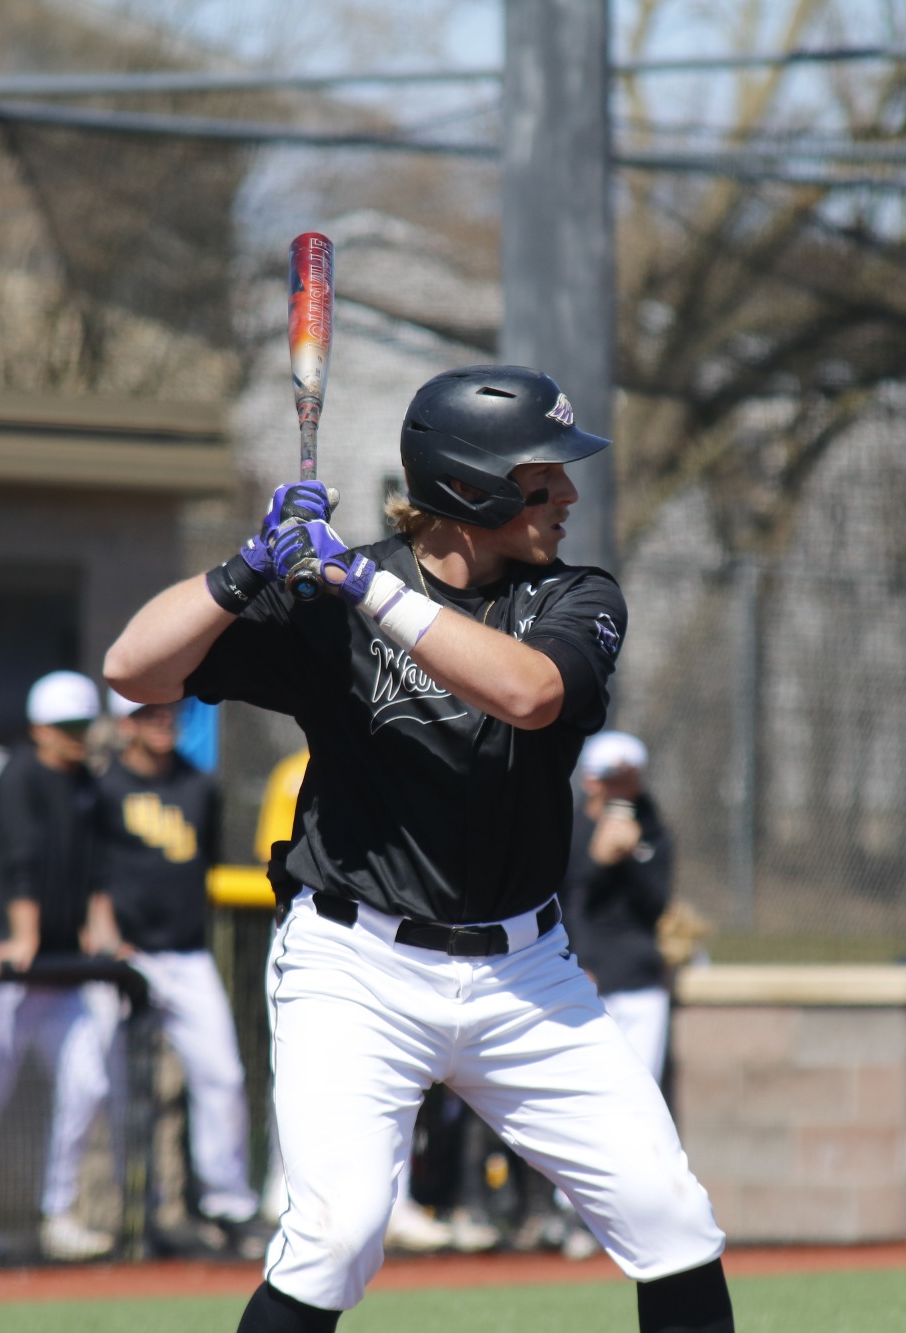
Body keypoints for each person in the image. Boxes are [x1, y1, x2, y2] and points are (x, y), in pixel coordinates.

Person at [106, 364, 732, 1333]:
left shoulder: (575, 596)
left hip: (527, 974)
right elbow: (130, 669)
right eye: (540, 477)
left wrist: (362, 586)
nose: (565, 494)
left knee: (669, 1214)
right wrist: (243, 570)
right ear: (468, 487)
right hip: (355, 966)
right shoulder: (321, 603)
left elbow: (526, 693)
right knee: (337, 1236)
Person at [0, 670, 115, 1261]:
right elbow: (18, 861)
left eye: (83, 726)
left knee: (88, 1082)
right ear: (40, 728)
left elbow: (94, 868)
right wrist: (22, 935)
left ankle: (57, 1212)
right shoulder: (19, 774)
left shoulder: (86, 782)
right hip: (12, 962)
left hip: (63, 968)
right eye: (67, 727)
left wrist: (97, 933)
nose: (78, 737)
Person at [89, 694, 262, 1256]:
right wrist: (109, 939)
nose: (163, 719)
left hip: (187, 954)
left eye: (170, 710)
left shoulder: (198, 784)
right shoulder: (103, 787)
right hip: (126, 957)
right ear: (124, 724)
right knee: (109, 1086)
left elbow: (206, 864)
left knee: (223, 1075)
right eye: (148, 712)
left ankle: (227, 1205)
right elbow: (92, 874)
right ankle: (122, 1213)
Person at [561, 731, 675, 1084]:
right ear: (592, 782)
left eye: (631, 781)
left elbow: (656, 906)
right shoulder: (567, 830)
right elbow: (564, 904)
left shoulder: (652, 831)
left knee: (640, 1090)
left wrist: (630, 859)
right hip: (582, 980)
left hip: (639, 981)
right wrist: (597, 862)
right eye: (614, 782)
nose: (625, 792)